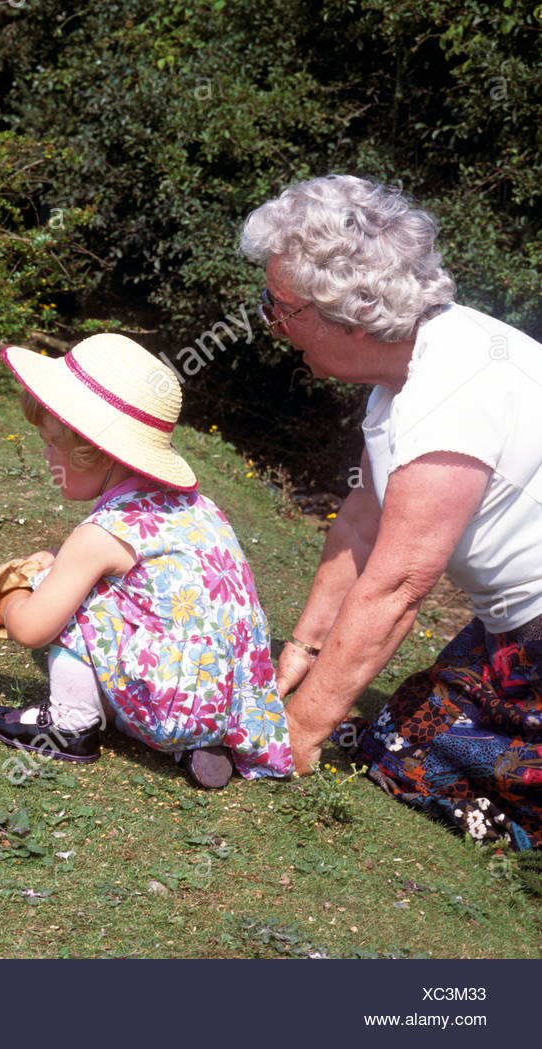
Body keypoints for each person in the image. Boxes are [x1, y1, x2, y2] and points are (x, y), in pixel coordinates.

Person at [241, 174, 542, 849]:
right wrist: (302, 653)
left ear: (347, 314)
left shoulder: (450, 393)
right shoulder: (412, 369)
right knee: (392, 733)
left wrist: (298, 733)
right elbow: (360, 522)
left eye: (280, 305)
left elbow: (401, 583)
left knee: (403, 754)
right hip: (511, 630)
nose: (273, 323)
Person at [0, 333, 292, 788]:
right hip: (223, 704)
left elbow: (31, 629)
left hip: (164, 704)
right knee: (138, 607)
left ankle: (70, 724)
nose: (44, 456)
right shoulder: (195, 510)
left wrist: (11, 596)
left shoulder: (99, 535)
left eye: (50, 443)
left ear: (91, 449)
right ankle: (196, 747)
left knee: (64, 592)